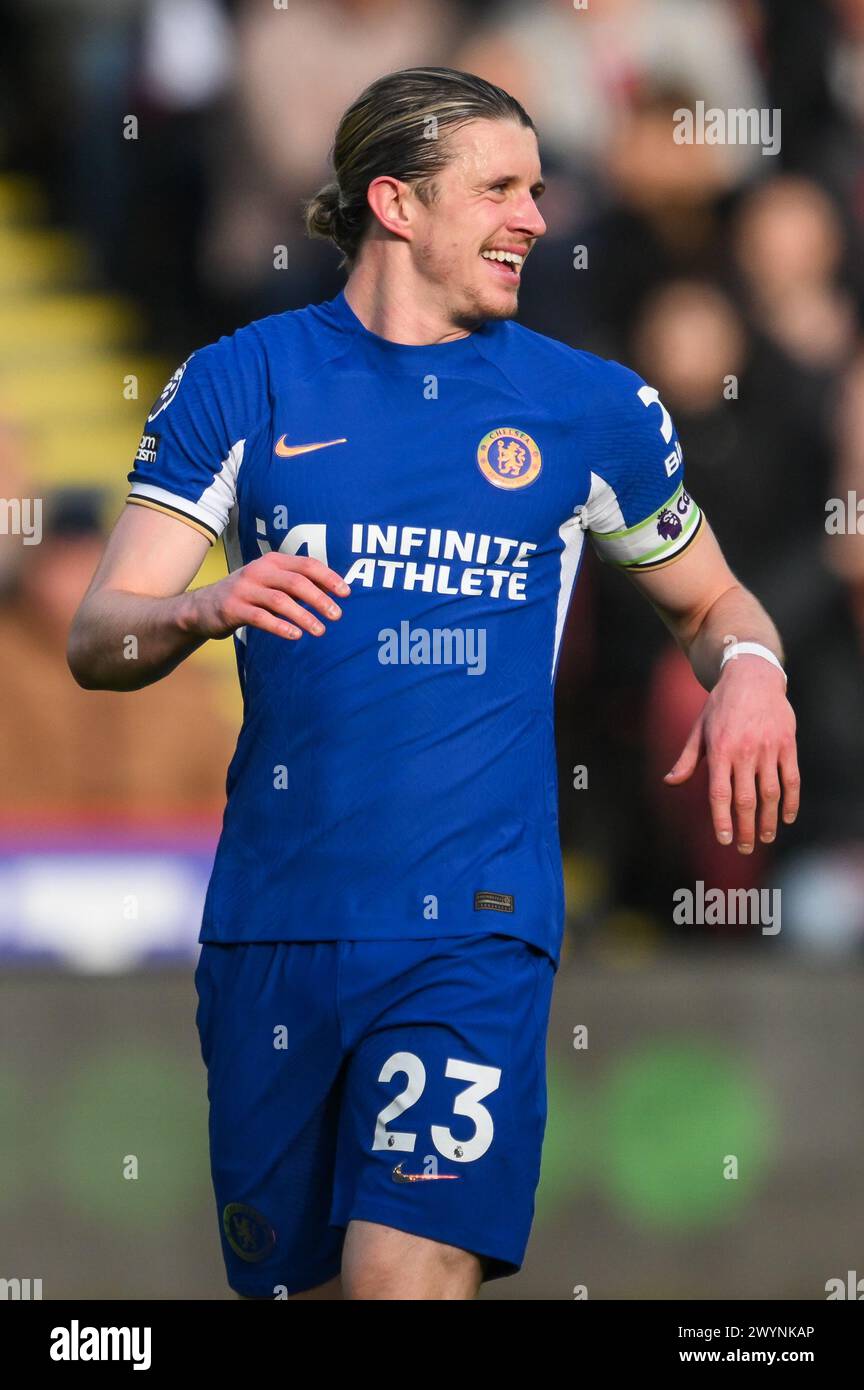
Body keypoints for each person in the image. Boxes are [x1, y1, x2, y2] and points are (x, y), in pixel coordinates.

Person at [67, 68, 799, 1301]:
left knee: (404, 1276)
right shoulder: (243, 380)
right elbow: (99, 634)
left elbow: (718, 603)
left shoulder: (590, 410)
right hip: (274, 920)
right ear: (395, 202)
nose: (535, 218)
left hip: (473, 919)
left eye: (539, 189)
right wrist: (202, 606)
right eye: (502, 189)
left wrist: (754, 674)